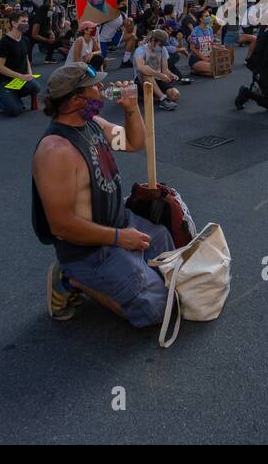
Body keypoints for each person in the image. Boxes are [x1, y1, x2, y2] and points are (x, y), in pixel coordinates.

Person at [32, 64, 176, 326]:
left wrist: (131, 109)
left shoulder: (93, 123)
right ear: (77, 99)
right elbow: (61, 225)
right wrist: (122, 239)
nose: (102, 90)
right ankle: (70, 279)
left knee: (170, 260)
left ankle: (127, 274)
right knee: (158, 311)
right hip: (90, 250)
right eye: (95, 87)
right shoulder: (55, 152)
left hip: (120, 223)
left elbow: (134, 143)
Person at [0, 12, 40, 116]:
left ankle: (10, 97)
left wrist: (30, 74)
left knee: (35, 86)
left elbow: (26, 57)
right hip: (2, 81)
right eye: (23, 21)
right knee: (16, 110)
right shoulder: (4, 43)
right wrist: (21, 76)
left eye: (27, 21)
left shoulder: (25, 40)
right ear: (14, 23)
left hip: (18, 80)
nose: (26, 24)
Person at [134, 29, 181, 111]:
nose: (162, 47)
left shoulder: (163, 50)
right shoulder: (141, 50)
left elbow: (165, 70)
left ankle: (154, 96)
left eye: (163, 45)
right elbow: (140, 67)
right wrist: (159, 75)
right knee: (146, 73)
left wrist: (171, 75)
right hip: (143, 81)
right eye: (160, 44)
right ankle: (162, 99)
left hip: (158, 79)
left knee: (175, 95)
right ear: (153, 40)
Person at [187, 11, 217, 76]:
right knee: (214, 69)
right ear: (200, 19)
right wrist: (203, 58)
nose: (208, 18)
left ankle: (197, 71)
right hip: (197, 58)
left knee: (218, 69)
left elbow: (211, 43)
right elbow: (192, 48)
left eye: (208, 16)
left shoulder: (210, 29)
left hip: (208, 56)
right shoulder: (195, 31)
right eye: (206, 16)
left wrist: (218, 48)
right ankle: (196, 68)